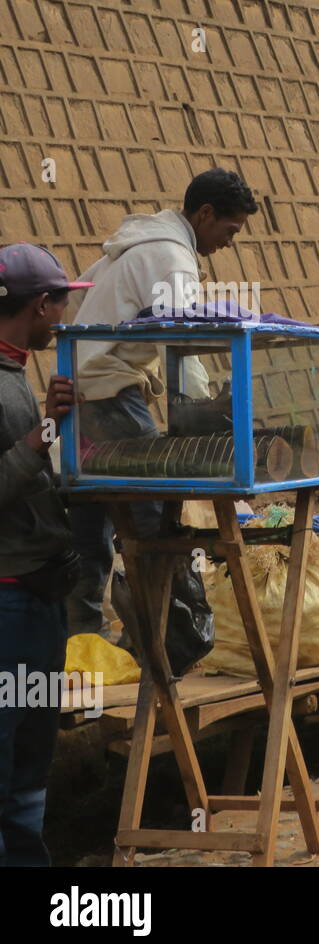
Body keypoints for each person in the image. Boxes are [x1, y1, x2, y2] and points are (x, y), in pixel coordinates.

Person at [65, 169, 259, 637]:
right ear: (205, 213)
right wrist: (202, 406)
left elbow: (79, 301)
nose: (230, 242)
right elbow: (182, 340)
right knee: (150, 515)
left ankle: (81, 634)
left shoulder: (138, 241)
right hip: (110, 391)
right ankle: (156, 639)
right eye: (229, 231)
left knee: (91, 512)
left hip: (84, 387)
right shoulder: (171, 258)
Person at [0, 244, 87, 865]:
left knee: (31, 749)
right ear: (38, 304)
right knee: (7, 746)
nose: (62, 317)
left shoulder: (16, 374)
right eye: (60, 303)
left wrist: (55, 429)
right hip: (9, 602)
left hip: (37, 600)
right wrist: (38, 436)